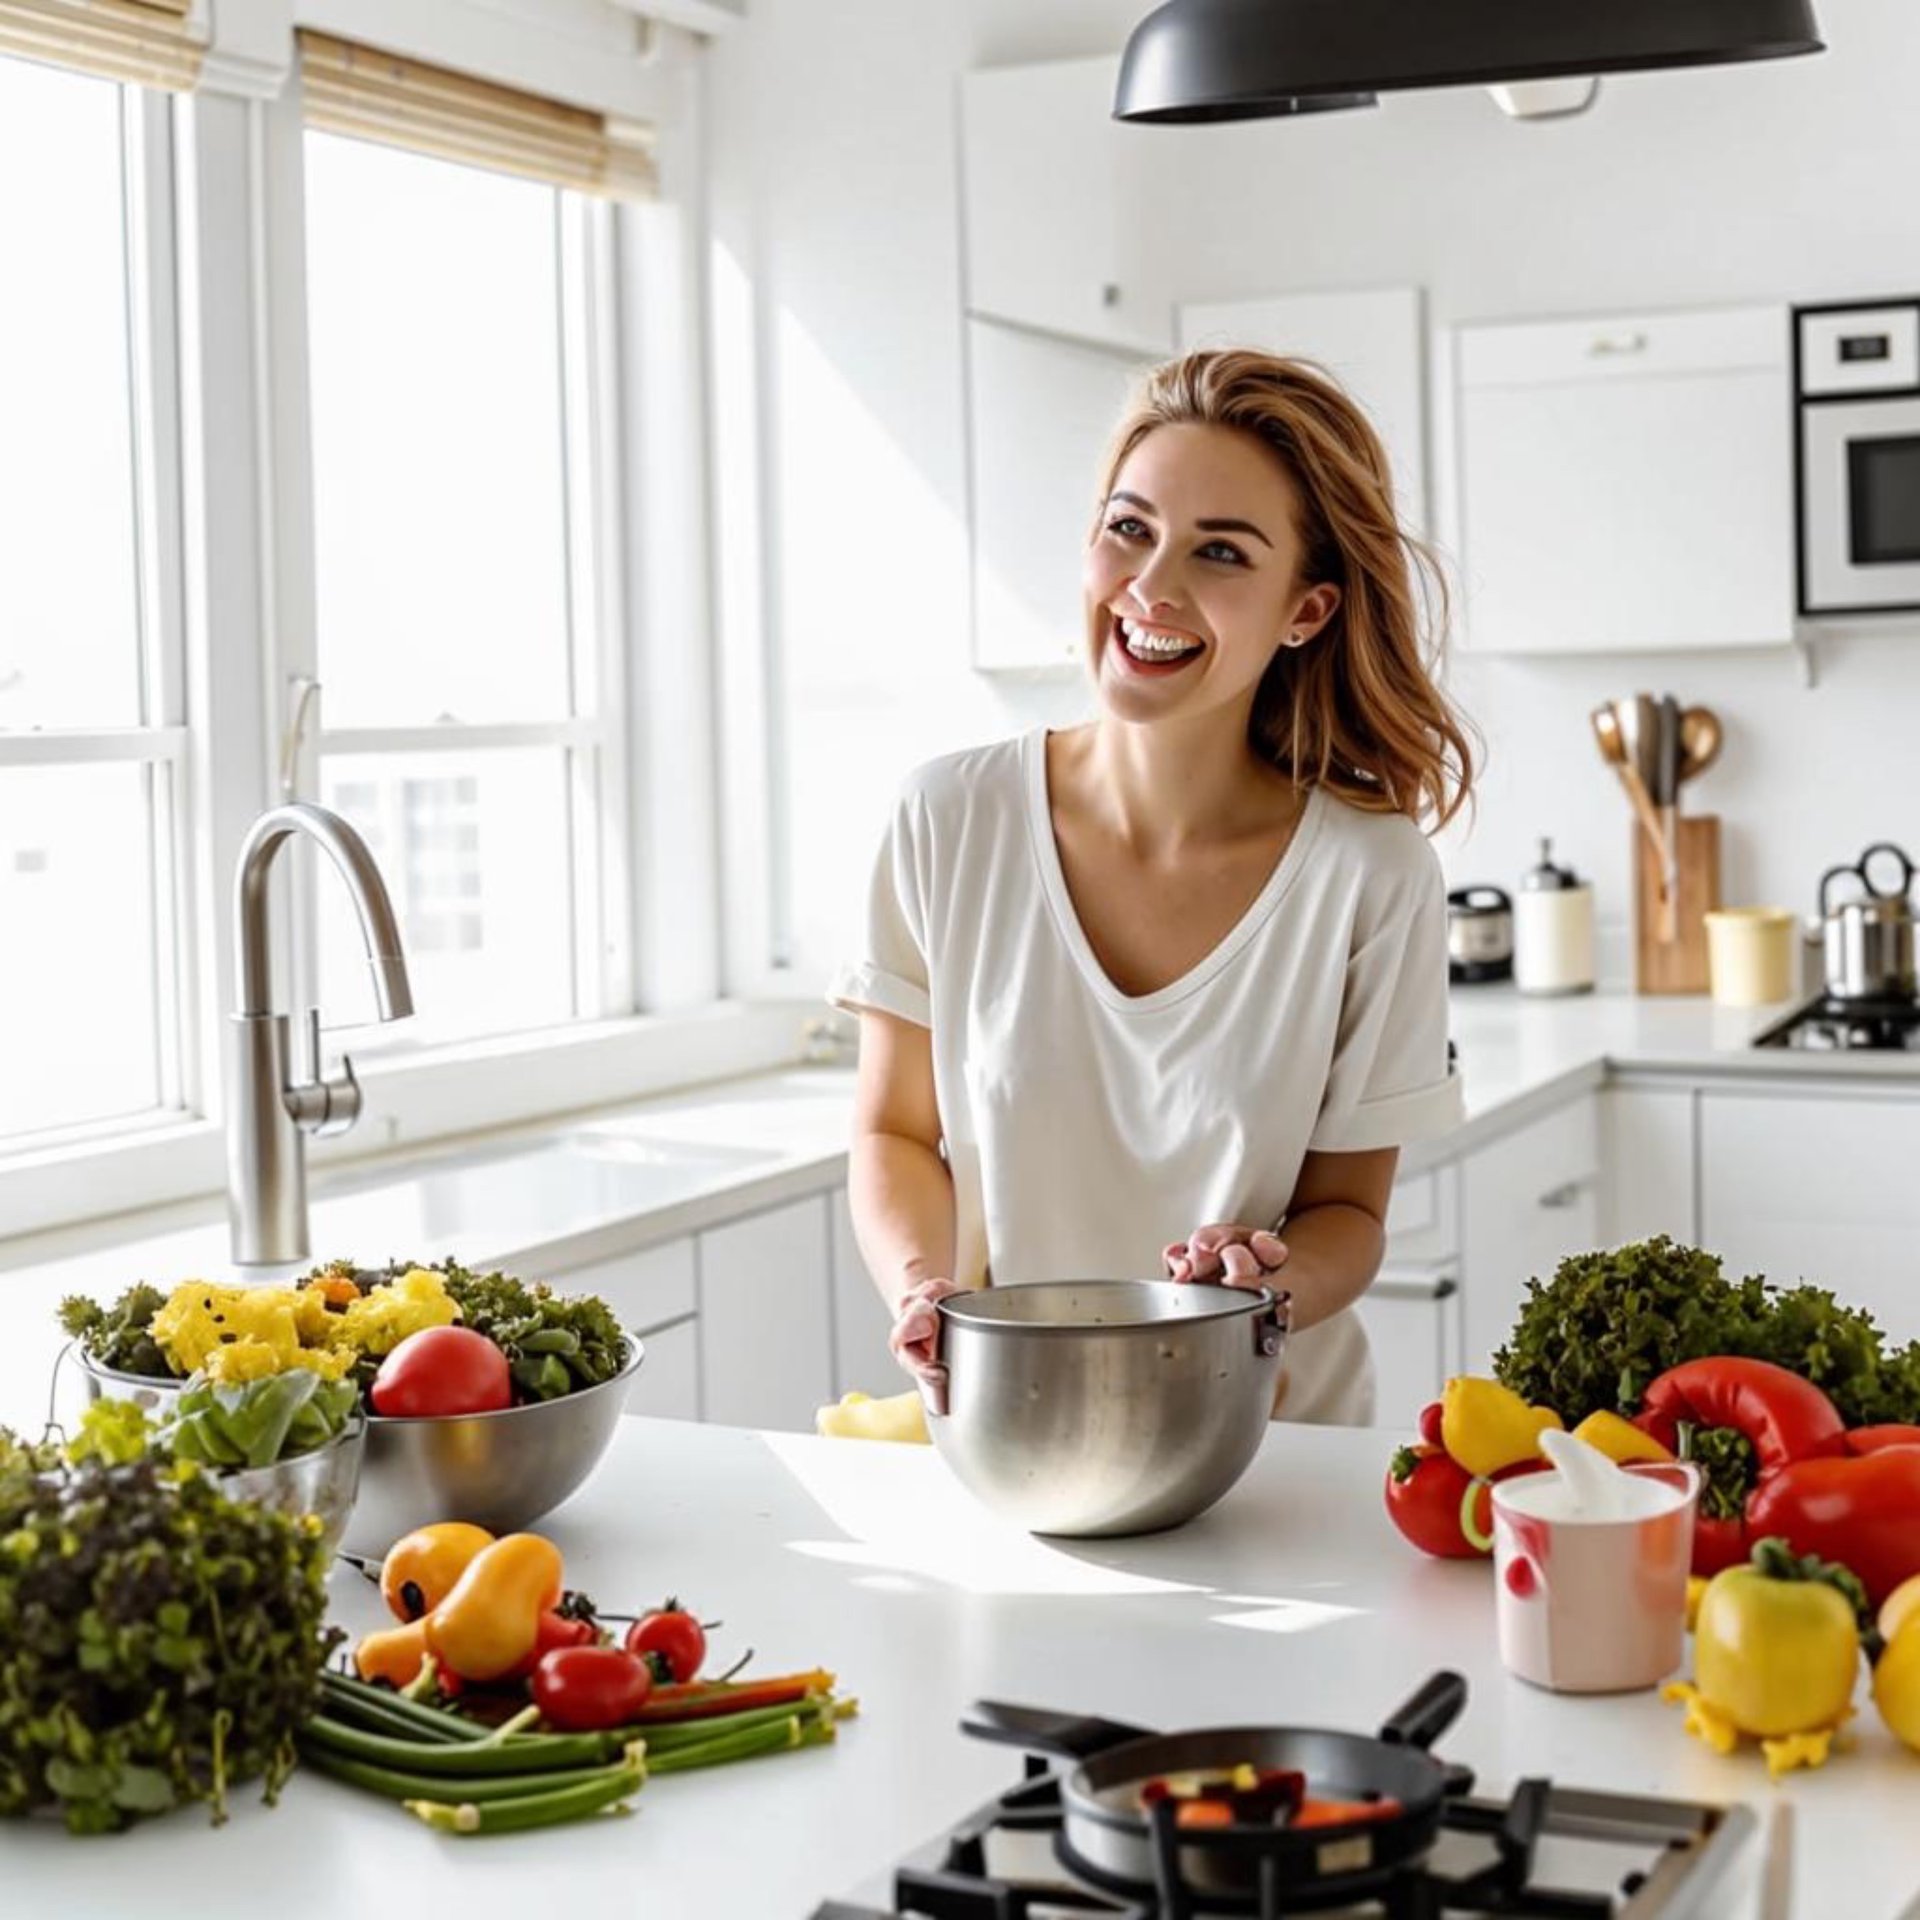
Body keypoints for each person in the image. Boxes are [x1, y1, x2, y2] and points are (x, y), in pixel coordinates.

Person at [828, 348, 1475, 1425]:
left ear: (1304, 613)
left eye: (1220, 552)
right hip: (1016, 1430)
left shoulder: (1371, 876)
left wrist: (1270, 1284)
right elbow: (892, 1132)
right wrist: (921, 1286)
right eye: (1129, 529)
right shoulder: (947, 821)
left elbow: (1349, 1215)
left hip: (1275, 1457)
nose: (1153, 587)